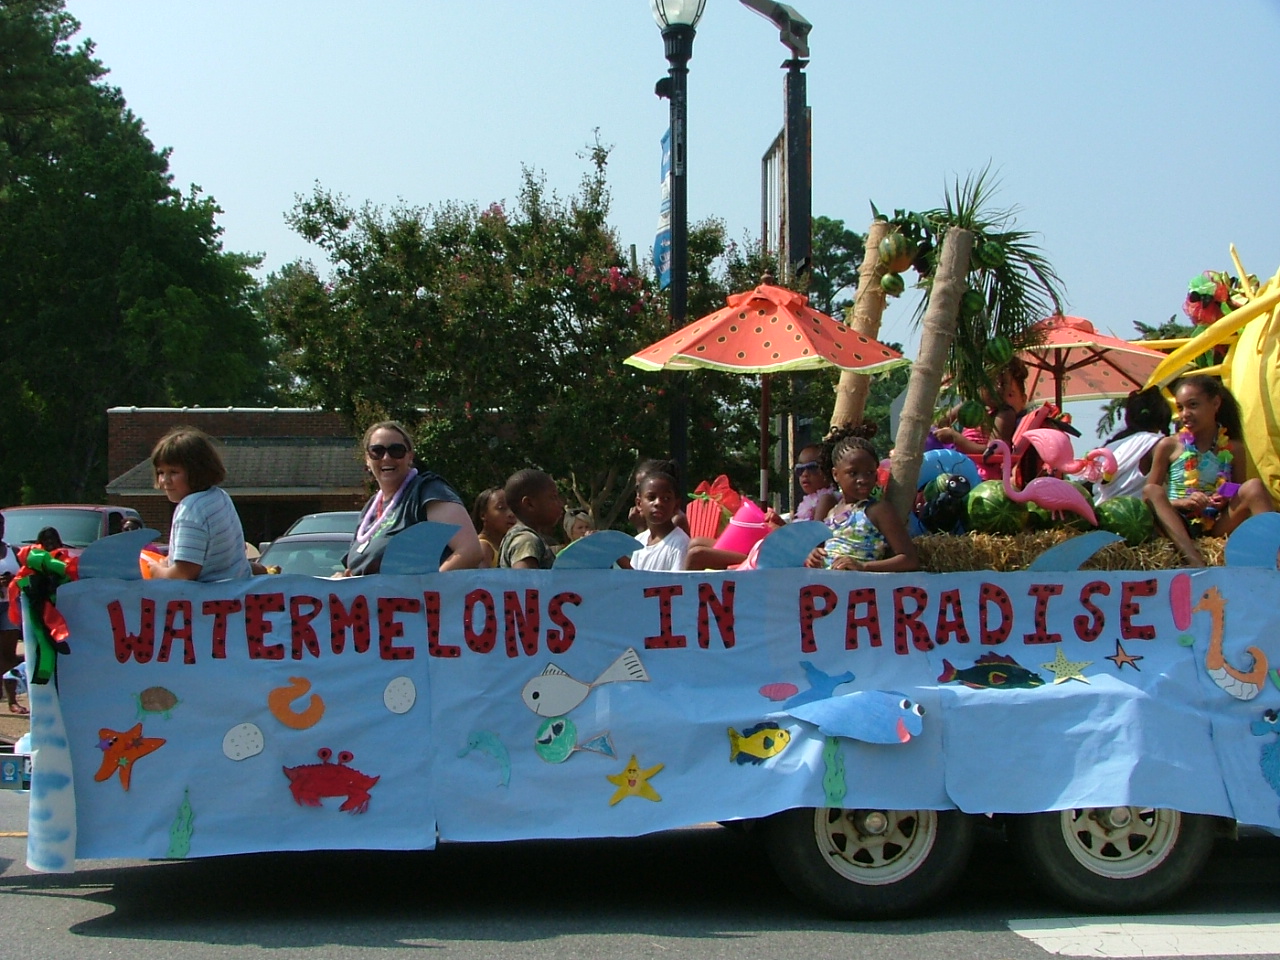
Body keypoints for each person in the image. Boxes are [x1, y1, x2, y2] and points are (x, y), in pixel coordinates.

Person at [1143, 375, 1275, 567]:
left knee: (1253, 487)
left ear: (1215, 403)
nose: (1184, 413)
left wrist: (1223, 496)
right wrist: (1184, 502)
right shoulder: (1169, 445)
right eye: (1180, 407)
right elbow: (1147, 499)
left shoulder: (1233, 447)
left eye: (1193, 405)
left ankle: (1273, 554)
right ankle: (1196, 562)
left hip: (1217, 522)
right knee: (1152, 490)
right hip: (1178, 523)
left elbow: (1236, 486)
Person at [345, 421, 483, 576]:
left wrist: (423, 591)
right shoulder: (370, 509)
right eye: (377, 451)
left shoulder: (428, 490)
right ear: (367, 459)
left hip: (413, 598)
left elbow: (470, 551)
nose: (386, 457)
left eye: (396, 450)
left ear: (410, 456)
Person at [805, 426, 918, 573]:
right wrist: (811, 556)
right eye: (853, 473)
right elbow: (814, 547)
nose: (863, 480)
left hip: (859, 591)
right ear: (835, 474)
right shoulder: (830, 508)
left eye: (870, 472)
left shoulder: (877, 510)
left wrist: (863, 566)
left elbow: (909, 559)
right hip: (828, 590)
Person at [146, 427, 253, 582]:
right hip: (237, 594)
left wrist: (157, 570)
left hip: (205, 601)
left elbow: (183, 574)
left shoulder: (190, 510)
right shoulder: (219, 497)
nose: (165, 480)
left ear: (198, 470)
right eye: (161, 472)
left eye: (173, 472)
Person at [933, 359, 1031, 481]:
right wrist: (966, 405)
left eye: (1003, 384)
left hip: (980, 476)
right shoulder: (978, 409)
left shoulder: (1005, 414)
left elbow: (992, 453)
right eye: (990, 383)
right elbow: (939, 423)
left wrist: (956, 438)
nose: (997, 389)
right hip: (962, 467)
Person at [1095, 388, 1172, 503]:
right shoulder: (1158, 443)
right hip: (1133, 517)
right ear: (1163, 417)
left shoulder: (1109, 446)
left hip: (1100, 512)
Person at [498, 469, 564, 570]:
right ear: (529, 504)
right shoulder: (527, 540)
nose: (560, 504)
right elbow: (524, 582)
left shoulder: (519, 535)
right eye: (553, 497)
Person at [629, 466, 690, 572]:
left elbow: (676, 585)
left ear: (676, 506)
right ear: (639, 504)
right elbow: (633, 581)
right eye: (651, 497)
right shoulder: (639, 541)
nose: (658, 503)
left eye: (666, 498)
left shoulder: (680, 544)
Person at [0, 513, 25, 714]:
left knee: (8, 654)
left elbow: (26, 577)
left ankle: (12, 700)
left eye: (1, 524)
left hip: (10, 606)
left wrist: (13, 580)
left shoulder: (12, 551)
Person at [471, 487, 516, 569]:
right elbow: (481, 580)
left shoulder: (501, 545)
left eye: (513, 508)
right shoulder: (483, 547)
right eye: (501, 508)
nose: (511, 514)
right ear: (483, 515)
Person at [793, 442, 839, 522]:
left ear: (828, 471)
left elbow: (815, 533)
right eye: (800, 469)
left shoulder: (826, 499)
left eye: (812, 468)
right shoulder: (810, 500)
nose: (805, 474)